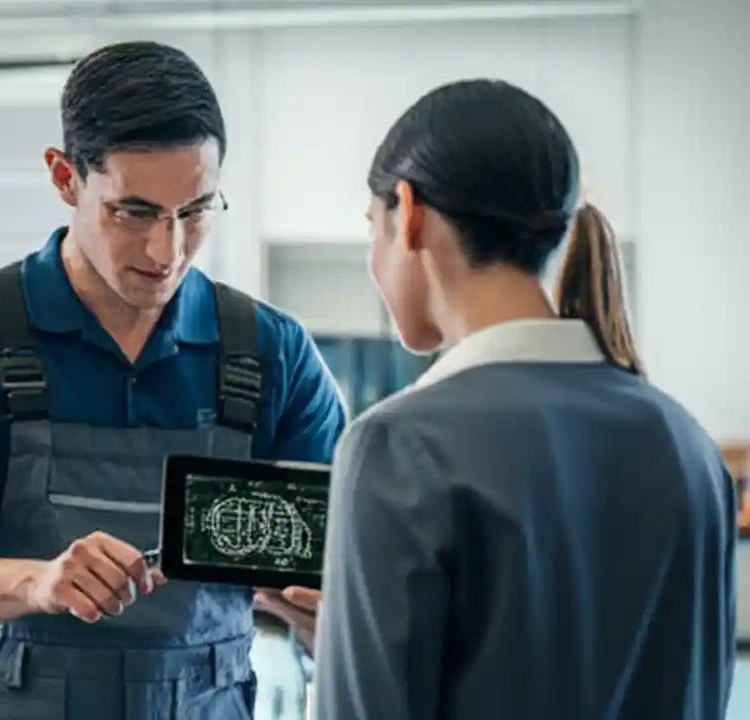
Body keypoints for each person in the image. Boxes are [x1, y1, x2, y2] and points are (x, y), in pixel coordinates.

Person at [0, 40, 348, 720]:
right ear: (65, 176)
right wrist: (40, 581)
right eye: (134, 212)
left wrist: (323, 614)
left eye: (196, 210)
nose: (166, 250)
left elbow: (340, 595)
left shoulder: (272, 353)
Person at [273, 78, 738, 719]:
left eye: (370, 227)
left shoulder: (398, 446)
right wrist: (354, 639)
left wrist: (348, 664)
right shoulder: (685, 443)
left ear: (408, 213)